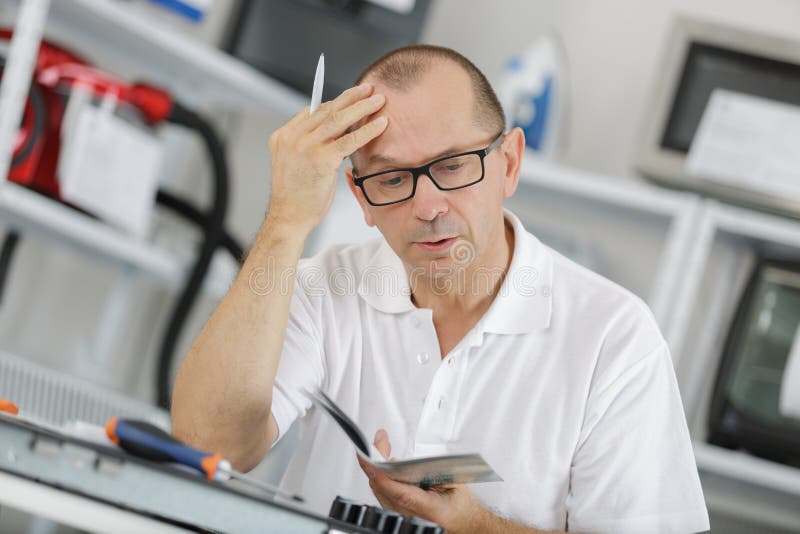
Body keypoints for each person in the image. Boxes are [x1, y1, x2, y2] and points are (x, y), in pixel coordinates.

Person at [172, 45, 710, 533]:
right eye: (391, 179)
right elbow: (209, 445)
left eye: (453, 166)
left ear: (509, 164)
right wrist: (286, 220)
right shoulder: (326, 287)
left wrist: (473, 527)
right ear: (359, 197)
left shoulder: (614, 339)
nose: (427, 207)